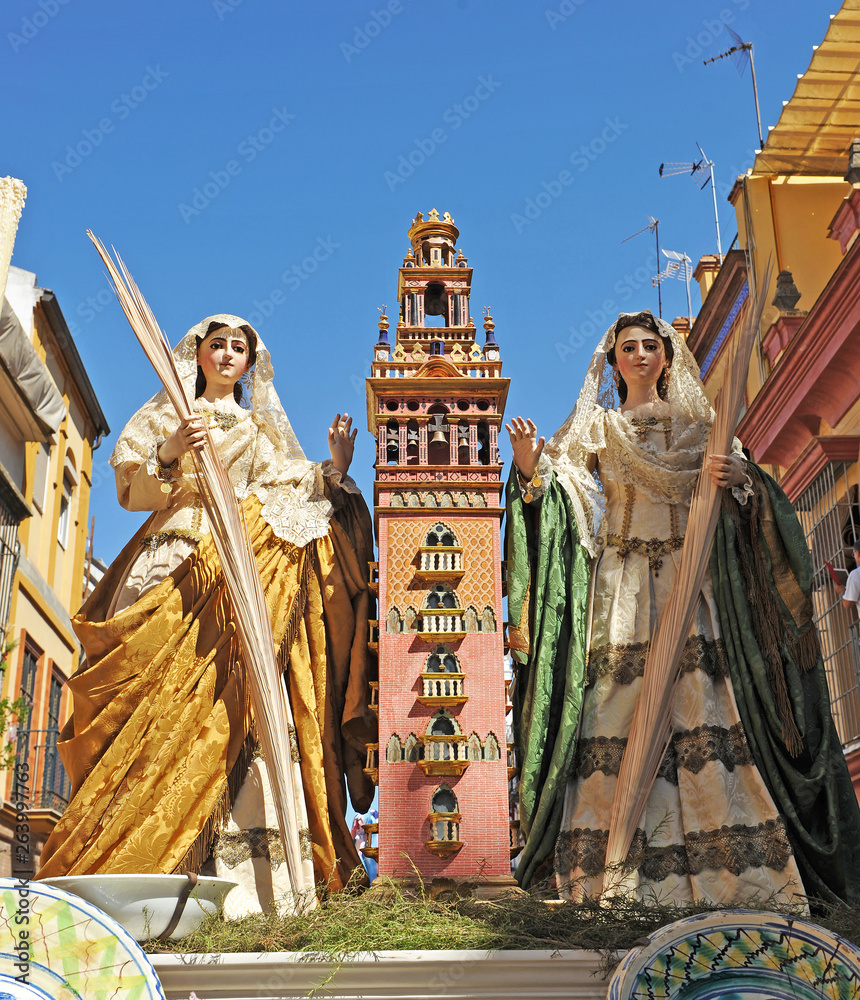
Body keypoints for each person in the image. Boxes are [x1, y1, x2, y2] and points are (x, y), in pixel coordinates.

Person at [505, 309, 860, 909]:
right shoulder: (599, 431)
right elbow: (560, 497)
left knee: (708, 708)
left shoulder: (704, 427)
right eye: (628, 348)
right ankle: (610, 887)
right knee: (615, 711)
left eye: (650, 346)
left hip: (693, 583)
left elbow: (750, 495)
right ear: (613, 363)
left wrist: (742, 477)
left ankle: (738, 883)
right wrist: (529, 467)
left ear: (667, 357)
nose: (640, 355)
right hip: (622, 587)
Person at [37, 315, 377, 910]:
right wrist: (171, 450)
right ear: (197, 353)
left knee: (231, 702)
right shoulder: (168, 412)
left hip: (237, 573)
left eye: (238, 348)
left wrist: (333, 469)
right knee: (150, 712)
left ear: (250, 363)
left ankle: (248, 890)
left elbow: (285, 485)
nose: (226, 355)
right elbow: (129, 484)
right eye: (217, 344)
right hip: (170, 558)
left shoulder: (255, 428)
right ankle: (132, 857)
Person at [837, 544, 860, 619]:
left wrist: (842, 591)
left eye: (854, 554)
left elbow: (847, 604)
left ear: (858, 553)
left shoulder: (855, 575)